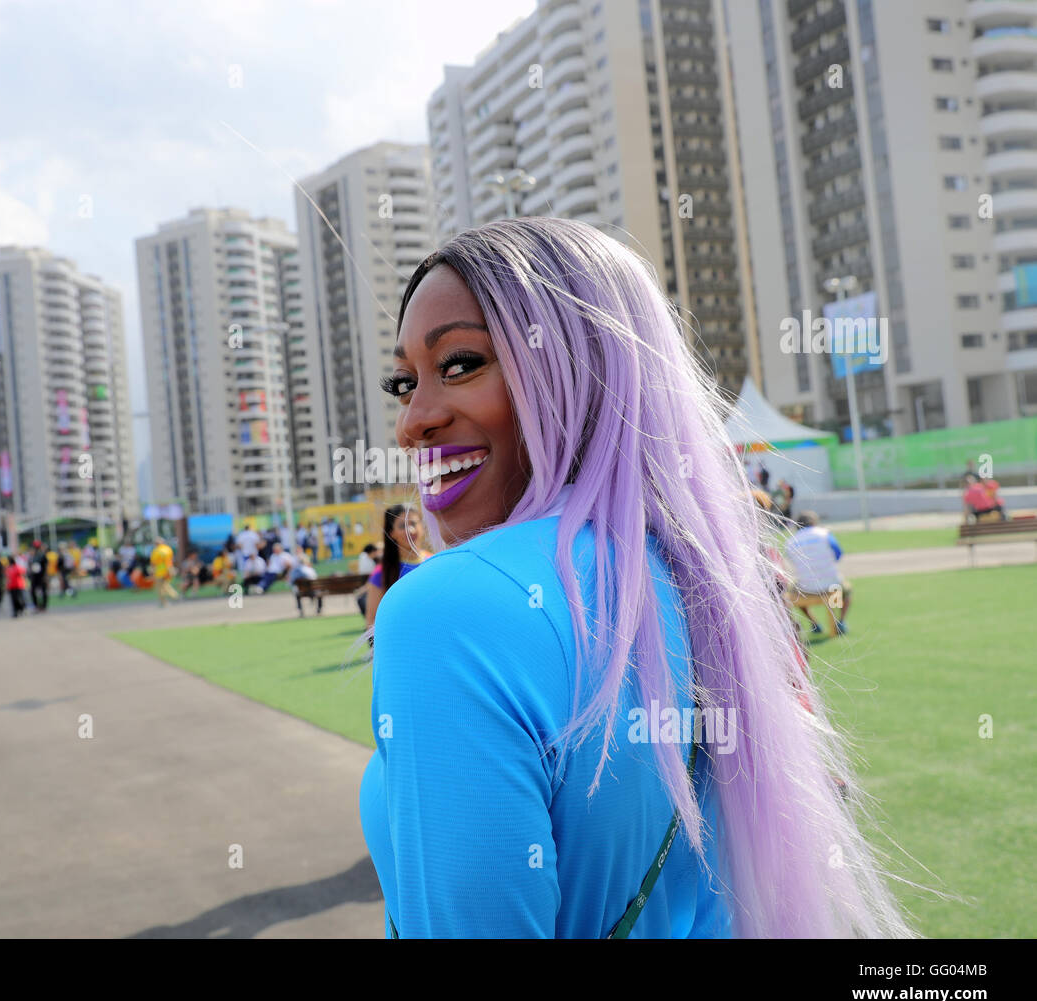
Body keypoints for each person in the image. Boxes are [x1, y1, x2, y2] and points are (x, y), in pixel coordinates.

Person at [359, 217, 911, 939]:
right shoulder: (701, 584)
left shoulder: (447, 611)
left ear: (581, 369)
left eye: (460, 363)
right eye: (405, 382)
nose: (413, 420)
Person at [363, 505, 431, 630]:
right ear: (392, 533)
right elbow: (372, 620)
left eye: (413, 523)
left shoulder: (435, 562)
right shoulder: (381, 573)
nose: (410, 530)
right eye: (402, 526)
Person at [784, 511, 851, 637]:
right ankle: (840, 621)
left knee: (792, 591)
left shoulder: (791, 542)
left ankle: (814, 622)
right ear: (814, 522)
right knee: (846, 591)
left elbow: (793, 562)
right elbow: (838, 554)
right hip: (831, 583)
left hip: (806, 586)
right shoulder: (824, 534)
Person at [290, 551, 321, 617]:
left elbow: (292, 582)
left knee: (297, 593)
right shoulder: (310, 570)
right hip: (313, 591)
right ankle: (319, 609)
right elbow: (315, 579)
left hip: (301, 592)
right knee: (319, 592)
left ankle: (300, 610)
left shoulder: (295, 571)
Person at [150, 536, 179, 605]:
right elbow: (171, 560)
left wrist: (152, 571)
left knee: (160, 587)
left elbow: (153, 563)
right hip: (169, 570)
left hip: (159, 571)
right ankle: (175, 596)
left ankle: (165, 601)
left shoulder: (156, 551)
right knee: (165, 585)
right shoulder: (168, 549)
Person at [28, 542, 49, 612]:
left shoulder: (42, 556)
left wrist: (45, 576)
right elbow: (30, 567)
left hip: (41, 576)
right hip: (34, 577)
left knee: (43, 591)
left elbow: (46, 566)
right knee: (33, 591)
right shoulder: (32, 557)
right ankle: (36, 605)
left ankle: (43, 606)